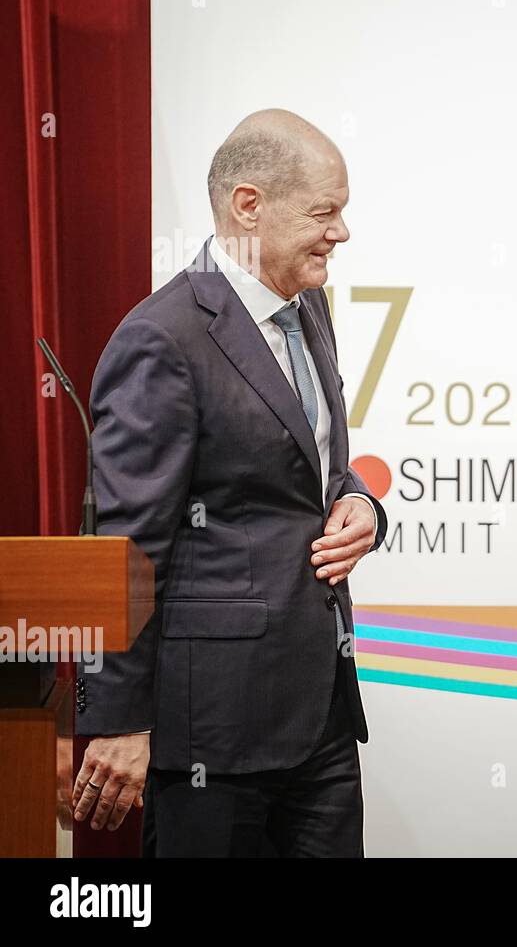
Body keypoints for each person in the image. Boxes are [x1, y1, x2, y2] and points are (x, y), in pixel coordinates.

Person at [72, 109, 386, 857]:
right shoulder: (162, 338)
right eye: (325, 211)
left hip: (322, 717)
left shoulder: (310, 307)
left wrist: (360, 502)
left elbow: (318, 468)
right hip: (212, 734)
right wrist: (116, 719)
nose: (341, 231)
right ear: (249, 205)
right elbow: (124, 546)